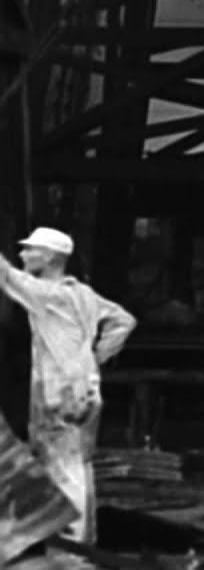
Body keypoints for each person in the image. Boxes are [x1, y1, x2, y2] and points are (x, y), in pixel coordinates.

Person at [0, 227, 137, 553]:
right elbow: (124, 320)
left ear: (49, 257)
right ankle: (83, 539)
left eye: (30, 250)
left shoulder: (47, 295)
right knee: (80, 464)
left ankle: (72, 543)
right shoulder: (83, 294)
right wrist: (95, 356)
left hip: (59, 392)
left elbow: (5, 275)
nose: (23, 255)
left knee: (62, 468)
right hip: (85, 388)